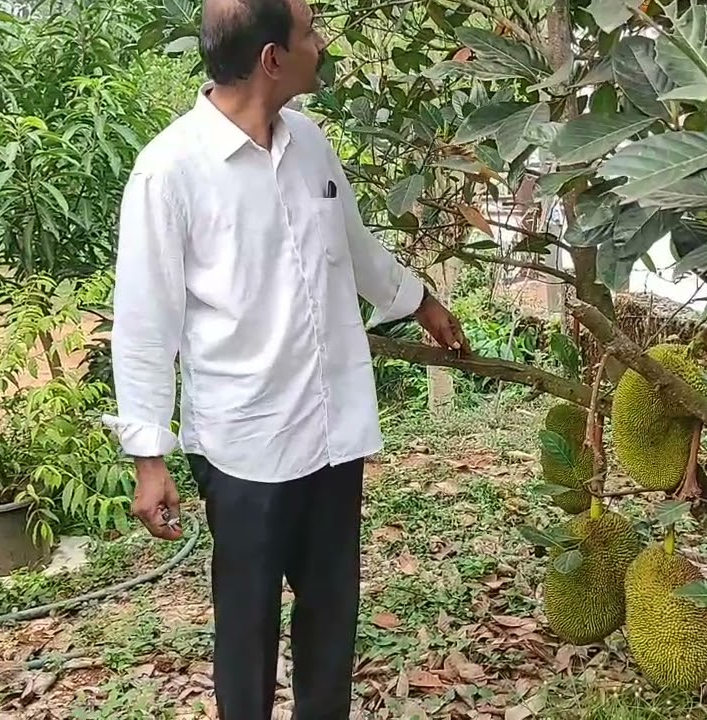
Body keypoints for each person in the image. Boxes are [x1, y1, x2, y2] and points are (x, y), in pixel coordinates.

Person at [101, 0, 470, 717]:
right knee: (248, 631)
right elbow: (146, 323)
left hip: (331, 430)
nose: (322, 43)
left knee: (331, 617)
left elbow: (354, 244)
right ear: (273, 59)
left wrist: (419, 300)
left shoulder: (311, 144)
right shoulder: (170, 172)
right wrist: (149, 457)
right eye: (309, 32)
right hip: (246, 445)